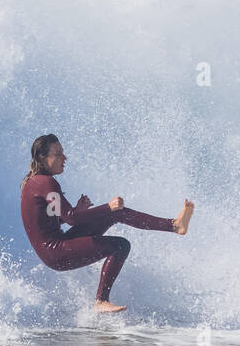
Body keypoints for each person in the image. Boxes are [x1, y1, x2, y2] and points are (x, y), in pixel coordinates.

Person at [20, 134, 193, 312]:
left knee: (115, 214)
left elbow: (59, 218)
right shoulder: (45, 183)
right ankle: (101, 301)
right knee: (120, 245)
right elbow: (71, 219)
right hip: (55, 252)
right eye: (58, 154)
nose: (65, 158)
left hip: (57, 247)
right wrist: (106, 207)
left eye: (63, 152)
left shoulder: (38, 182)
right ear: (42, 157)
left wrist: (79, 210)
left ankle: (174, 225)